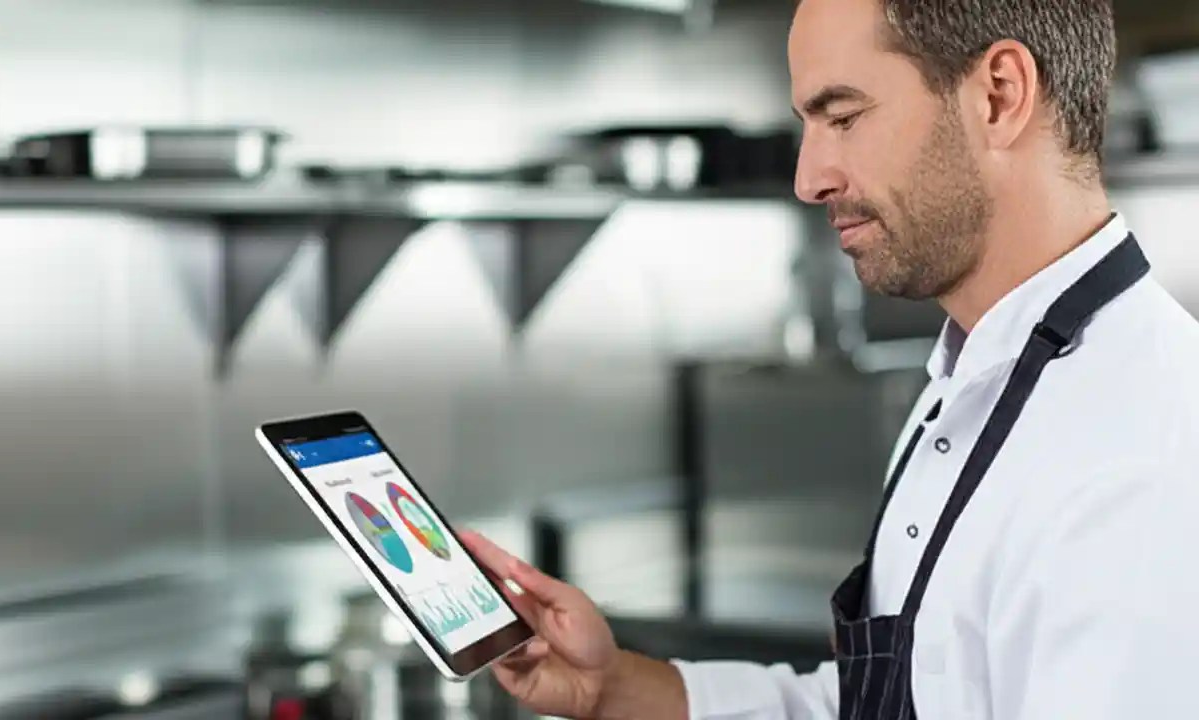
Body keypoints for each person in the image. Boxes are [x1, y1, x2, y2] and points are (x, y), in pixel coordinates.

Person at [460, 0, 1199, 717]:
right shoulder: (976, 378)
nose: (809, 178)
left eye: (843, 118)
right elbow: (890, 702)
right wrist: (615, 689)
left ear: (998, 96)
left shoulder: (1145, 456)